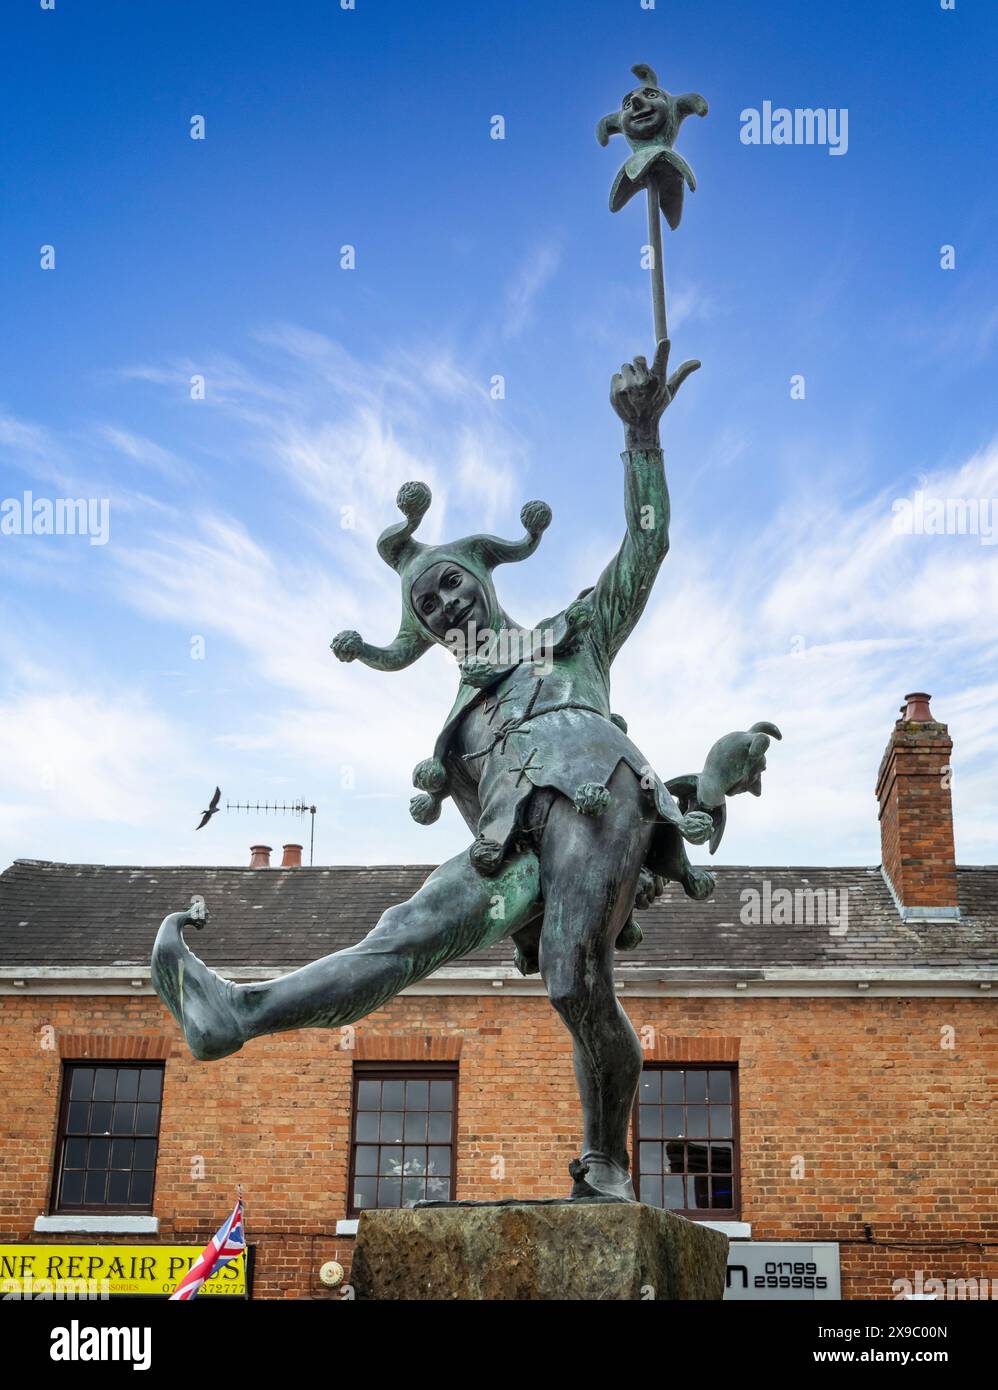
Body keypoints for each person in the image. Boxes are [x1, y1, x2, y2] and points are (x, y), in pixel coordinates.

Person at [152, 339, 714, 1201]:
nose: (446, 603)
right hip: (514, 842)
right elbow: (484, 825)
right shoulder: (455, 734)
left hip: (600, 798)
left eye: (451, 584)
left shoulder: (573, 635)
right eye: (429, 603)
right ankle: (237, 1014)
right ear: (425, 629)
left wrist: (641, 440)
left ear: (482, 582)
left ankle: (604, 1161)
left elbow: (647, 550)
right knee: (404, 934)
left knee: (574, 976)